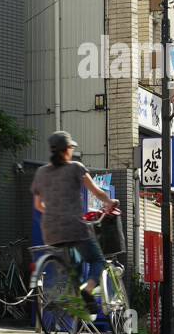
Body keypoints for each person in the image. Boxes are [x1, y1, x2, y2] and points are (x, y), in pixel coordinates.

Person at [31, 131, 118, 315]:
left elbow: (38, 204)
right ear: (66, 150)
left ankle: (72, 296)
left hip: (50, 231)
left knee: (74, 264)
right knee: (97, 260)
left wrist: (54, 213)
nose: (72, 150)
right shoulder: (75, 168)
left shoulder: (41, 172)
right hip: (75, 228)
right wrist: (110, 202)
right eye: (71, 147)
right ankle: (87, 291)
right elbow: (97, 192)